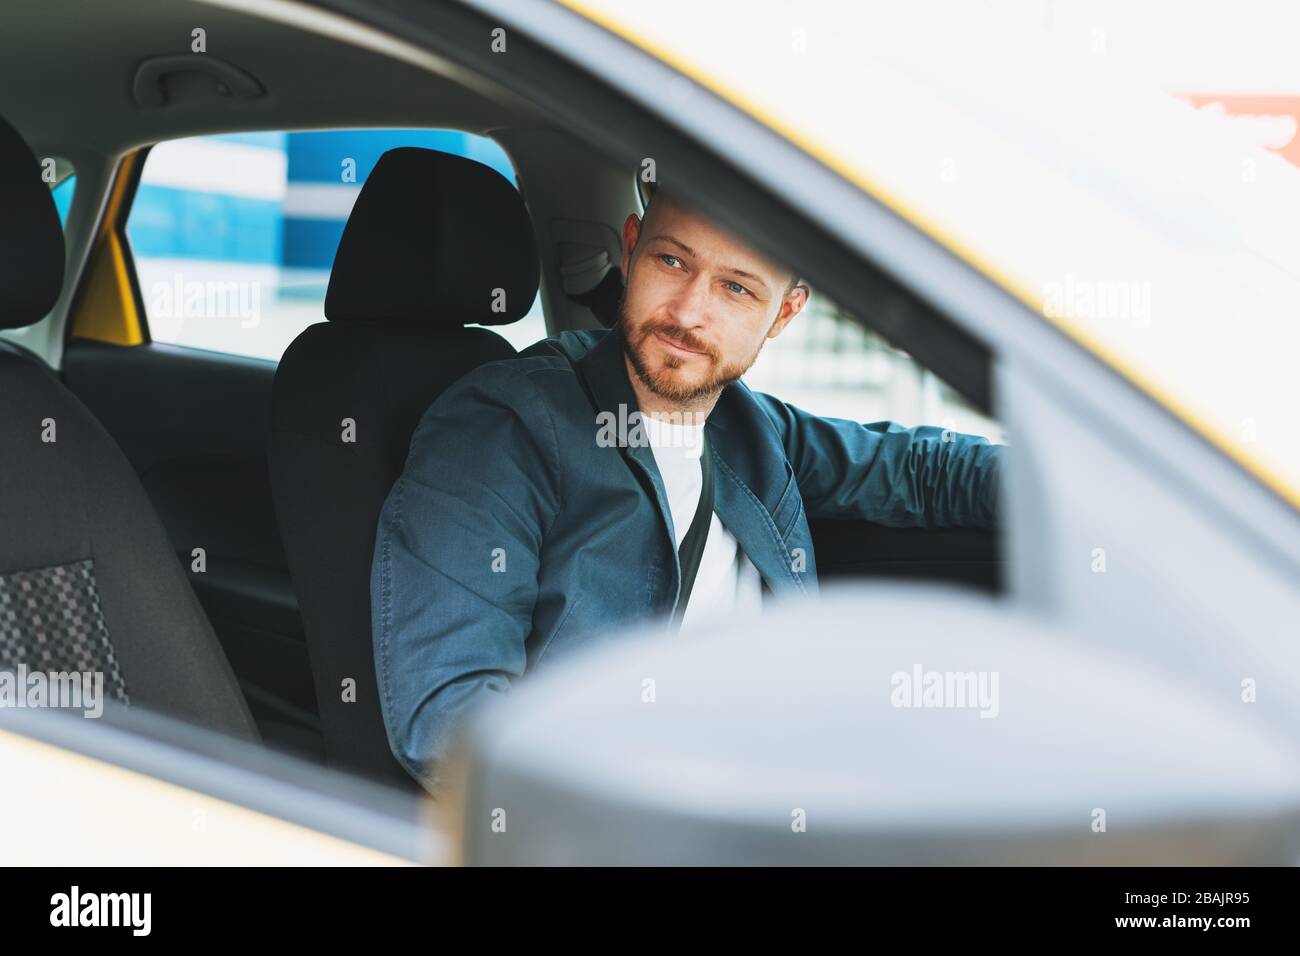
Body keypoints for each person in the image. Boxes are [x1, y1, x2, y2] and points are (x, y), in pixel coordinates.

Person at [372, 185, 1004, 790]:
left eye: (736, 288)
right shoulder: (503, 428)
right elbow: (452, 722)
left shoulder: (746, 425)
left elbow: (922, 470)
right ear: (630, 250)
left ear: (784, 313)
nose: (688, 312)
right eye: (672, 260)